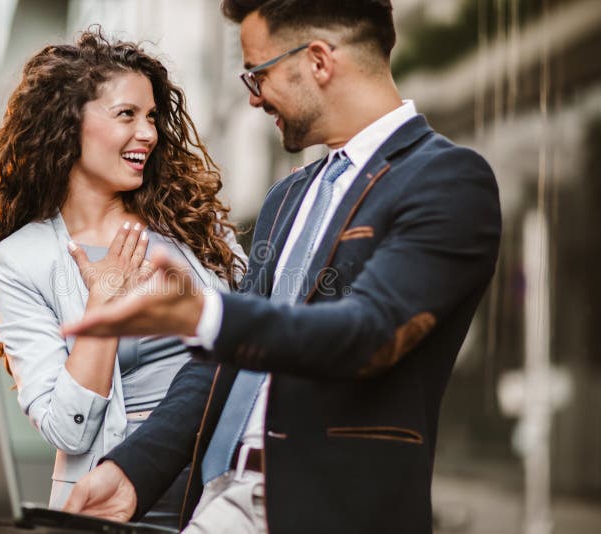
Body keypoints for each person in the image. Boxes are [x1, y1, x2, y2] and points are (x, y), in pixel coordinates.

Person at [59, 1, 502, 533]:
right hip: (218, 499)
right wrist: (133, 470)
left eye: (258, 72)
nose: (252, 96)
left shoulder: (447, 181)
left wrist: (205, 315)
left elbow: (369, 333)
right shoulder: (287, 198)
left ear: (318, 61)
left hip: (321, 511)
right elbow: (222, 364)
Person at [0, 29, 245, 528]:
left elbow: (253, 337)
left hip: (223, 491)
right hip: (110, 501)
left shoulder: (193, 225)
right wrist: (103, 308)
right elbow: (65, 430)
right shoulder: (20, 260)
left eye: (153, 117)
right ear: (68, 125)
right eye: (127, 115)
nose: (149, 133)